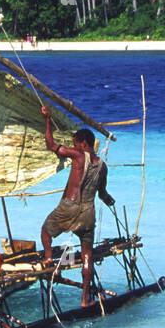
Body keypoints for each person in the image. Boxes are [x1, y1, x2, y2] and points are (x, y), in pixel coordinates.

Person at [39, 107, 115, 306]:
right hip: (88, 212)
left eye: (76, 144)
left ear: (83, 143)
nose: (76, 147)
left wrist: (47, 119)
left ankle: (48, 259)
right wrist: (109, 201)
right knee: (87, 255)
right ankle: (85, 300)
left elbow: (50, 144)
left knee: (46, 231)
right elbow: (103, 194)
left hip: (69, 207)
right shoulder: (103, 166)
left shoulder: (78, 156)